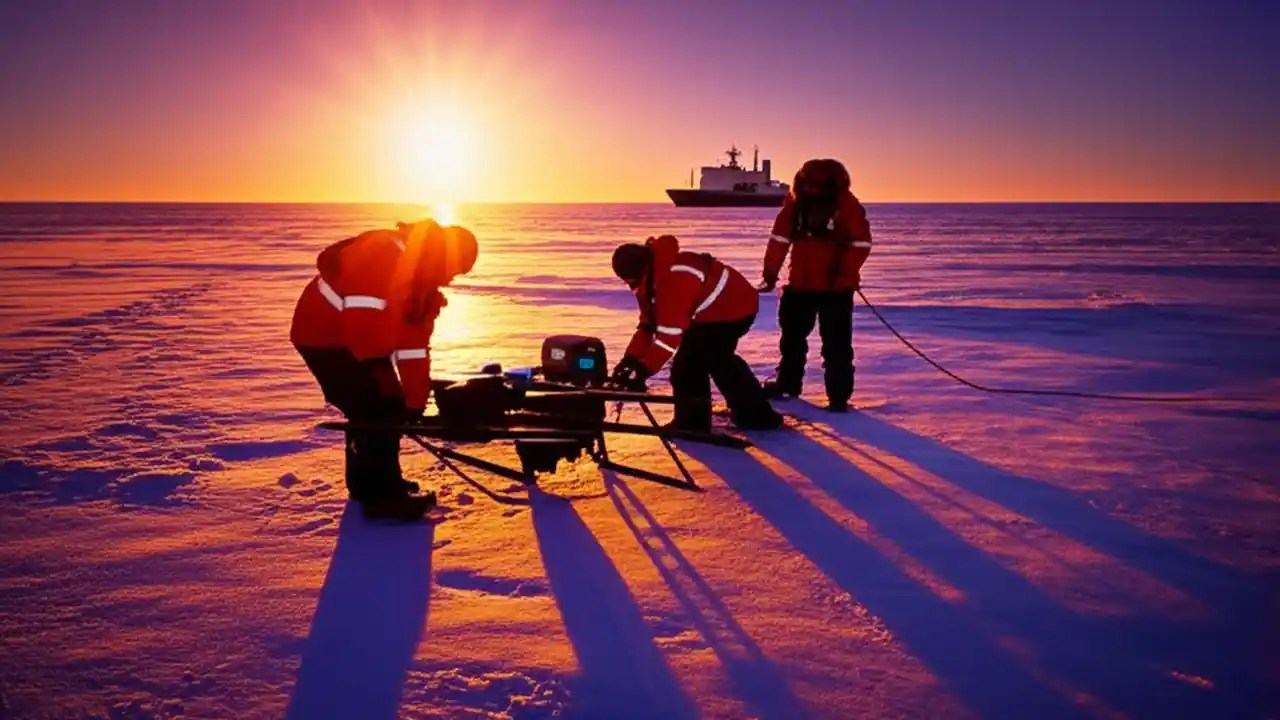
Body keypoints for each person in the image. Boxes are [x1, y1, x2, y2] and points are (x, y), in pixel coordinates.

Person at [290, 219, 478, 520]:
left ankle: (374, 485)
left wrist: (414, 404)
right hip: (322, 338)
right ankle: (382, 498)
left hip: (358, 345)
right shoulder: (384, 255)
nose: (450, 280)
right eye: (454, 270)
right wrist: (378, 369)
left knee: (388, 407)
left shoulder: (422, 285)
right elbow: (361, 323)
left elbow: (413, 349)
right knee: (373, 408)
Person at [609, 235, 782, 432]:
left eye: (629, 281)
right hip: (711, 312)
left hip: (733, 309)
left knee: (696, 364)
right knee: (709, 360)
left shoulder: (672, 280)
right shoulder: (652, 277)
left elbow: (668, 338)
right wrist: (631, 359)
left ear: (638, 270)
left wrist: (643, 370)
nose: (630, 285)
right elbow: (648, 325)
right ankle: (743, 415)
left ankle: (742, 418)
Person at [760, 159, 873, 412]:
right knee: (794, 341)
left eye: (817, 184)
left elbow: (861, 244)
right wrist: (770, 274)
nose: (812, 188)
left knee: (834, 346)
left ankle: (837, 396)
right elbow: (779, 240)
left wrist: (844, 274)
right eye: (809, 183)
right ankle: (791, 386)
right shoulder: (795, 206)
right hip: (802, 286)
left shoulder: (846, 206)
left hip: (832, 289)